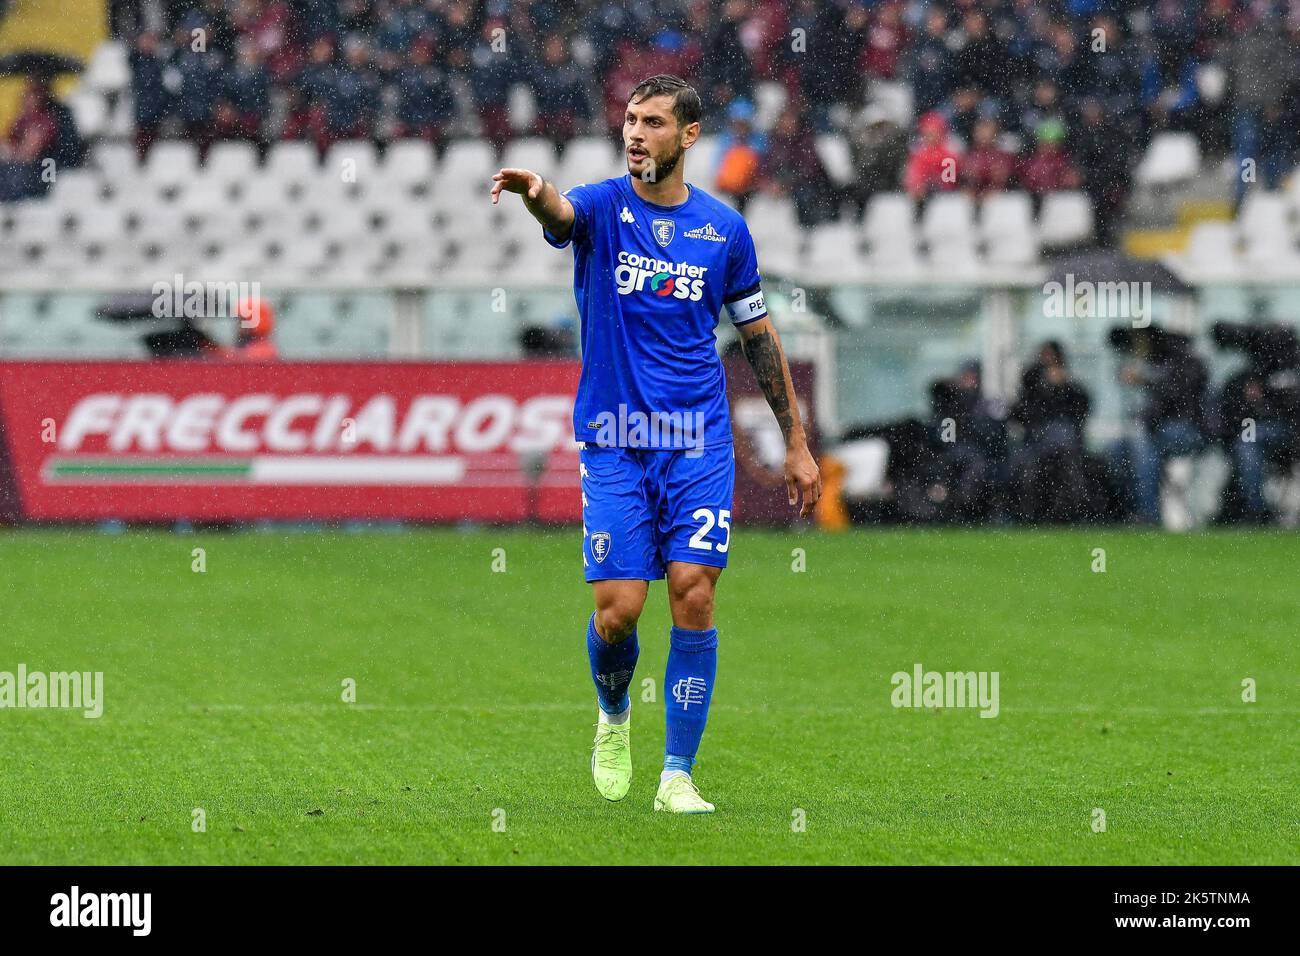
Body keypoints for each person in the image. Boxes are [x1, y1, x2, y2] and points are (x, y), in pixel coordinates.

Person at [491, 74, 820, 814]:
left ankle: (677, 775)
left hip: (697, 439)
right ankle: (613, 715)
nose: (636, 134)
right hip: (614, 439)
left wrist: (796, 443)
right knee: (618, 610)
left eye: (653, 123)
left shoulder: (724, 231)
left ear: (689, 136)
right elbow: (562, 211)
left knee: (693, 596)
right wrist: (535, 188)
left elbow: (759, 335)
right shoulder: (606, 207)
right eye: (631, 120)